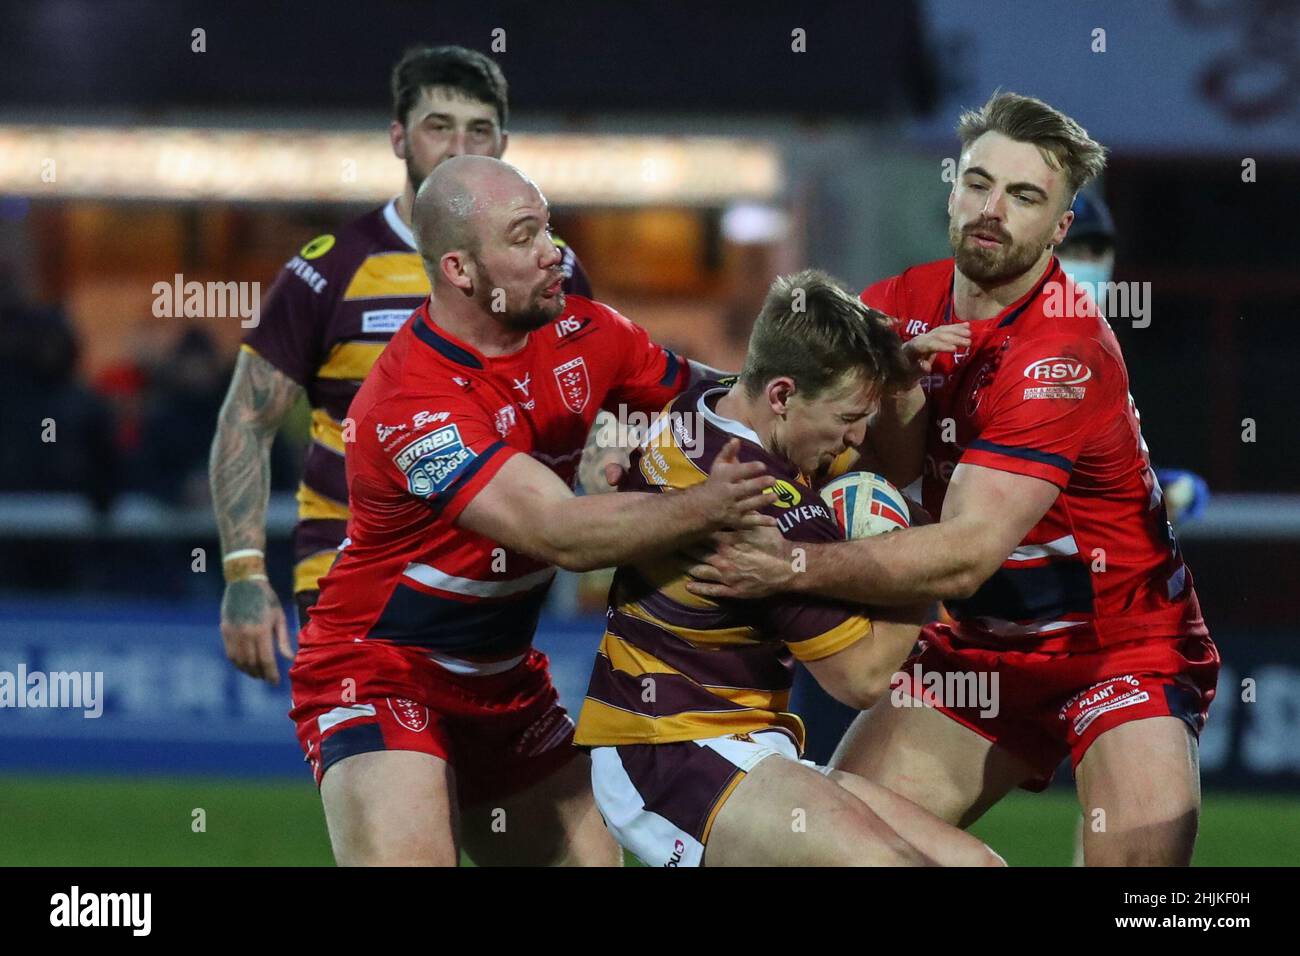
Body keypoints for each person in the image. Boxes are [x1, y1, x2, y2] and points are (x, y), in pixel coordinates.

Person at [687, 92, 1218, 867]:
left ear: (1061, 229)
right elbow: (789, 425)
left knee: (1141, 883)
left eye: (1025, 196)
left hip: (1119, 645)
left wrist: (791, 565)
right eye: (978, 183)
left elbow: (968, 551)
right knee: (821, 849)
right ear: (954, 187)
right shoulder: (892, 307)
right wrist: (897, 396)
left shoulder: (1064, 351)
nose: (992, 210)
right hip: (980, 649)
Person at [285, 155, 773, 866]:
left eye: (547, 228)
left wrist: (848, 374)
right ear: (459, 270)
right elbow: (560, 532)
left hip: (501, 678)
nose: (553, 253)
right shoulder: (411, 399)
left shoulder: (588, 334)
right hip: (379, 669)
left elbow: (725, 406)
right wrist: (711, 504)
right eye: (522, 237)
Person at [575, 269, 999, 867]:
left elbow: (878, 465)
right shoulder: (764, 510)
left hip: (741, 739)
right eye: (849, 415)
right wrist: (924, 553)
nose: (856, 434)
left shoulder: (710, 404)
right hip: (667, 750)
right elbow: (863, 679)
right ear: (781, 394)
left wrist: (898, 390)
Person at [210, 45, 592, 685]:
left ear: (504, 142)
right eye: (438, 127)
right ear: (398, 138)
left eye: (478, 130)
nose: (458, 146)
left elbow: (598, 402)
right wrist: (244, 571)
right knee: (395, 775)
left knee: (495, 784)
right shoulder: (328, 269)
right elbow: (247, 420)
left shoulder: (554, 268)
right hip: (350, 574)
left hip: (491, 581)